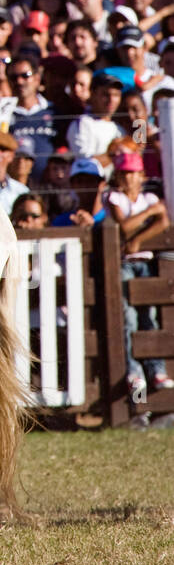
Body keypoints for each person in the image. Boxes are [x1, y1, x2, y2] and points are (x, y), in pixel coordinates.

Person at [104, 149, 174, 408]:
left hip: (144, 262)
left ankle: (156, 370)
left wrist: (136, 240)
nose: (128, 178)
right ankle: (134, 372)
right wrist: (148, 215)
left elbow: (164, 223)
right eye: (124, 173)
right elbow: (124, 225)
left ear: (142, 175)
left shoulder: (149, 197)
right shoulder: (115, 197)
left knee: (151, 317)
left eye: (133, 173)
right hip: (124, 264)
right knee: (128, 318)